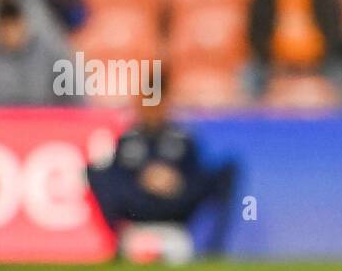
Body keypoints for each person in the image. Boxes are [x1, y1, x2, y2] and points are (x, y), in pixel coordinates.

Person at [86, 98, 238, 256]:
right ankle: (117, 239)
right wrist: (143, 178)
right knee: (98, 174)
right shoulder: (127, 140)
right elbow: (116, 179)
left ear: (165, 105)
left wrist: (176, 181)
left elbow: (197, 176)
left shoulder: (182, 139)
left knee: (225, 172)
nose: (152, 111)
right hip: (137, 214)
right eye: (146, 105)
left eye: (156, 105)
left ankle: (215, 248)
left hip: (175, 213)